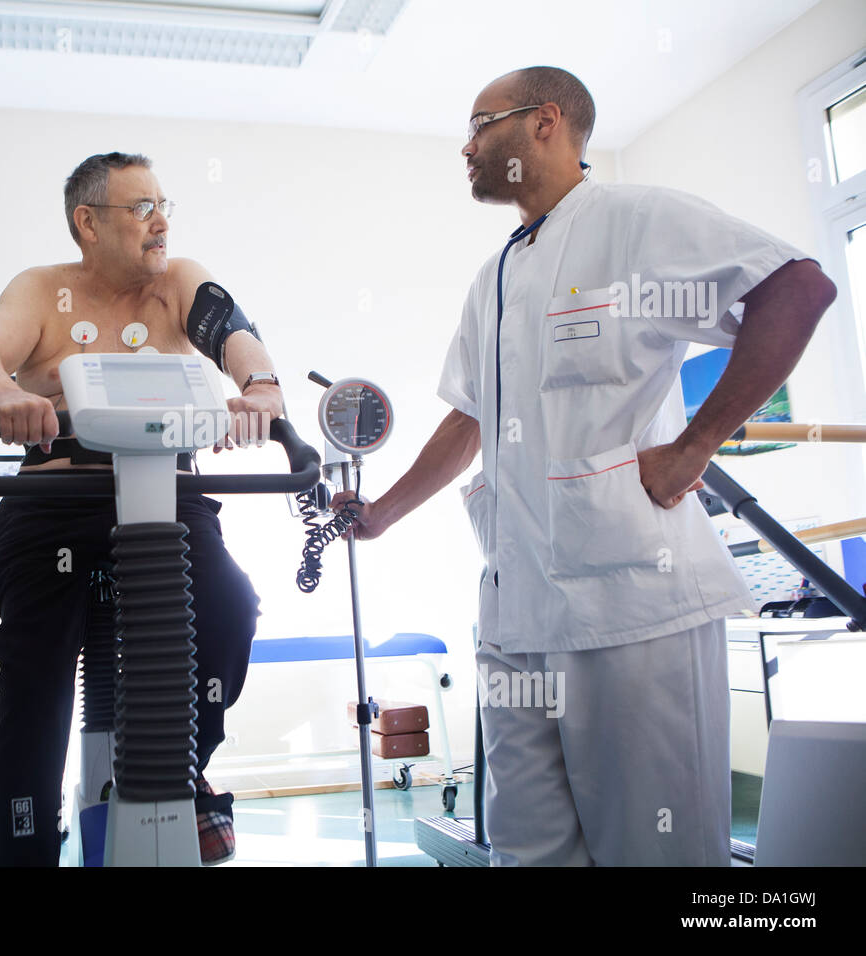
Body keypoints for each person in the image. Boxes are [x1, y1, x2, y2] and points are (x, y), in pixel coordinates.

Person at [334, 67, 838, 865]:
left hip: (630, 603)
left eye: (480, 125)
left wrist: (695, 444)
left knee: (655, 851)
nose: (465, 147)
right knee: (529, 852)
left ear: (546, 121)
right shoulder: (494, 277)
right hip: (514, 611)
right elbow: (469, 416)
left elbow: (798, 288)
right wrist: (385, 513)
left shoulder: (635, 221)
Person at [0, 152, 284, 866]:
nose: (160, 219)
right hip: (53, 499)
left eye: (164, 204)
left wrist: (259, 387)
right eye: (141, 207)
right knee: (36, 678)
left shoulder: (176, 284)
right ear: (88, 222)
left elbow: (234, 331)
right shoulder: (43, 290)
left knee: (231, 608)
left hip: (166, 497)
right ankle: (26, 845)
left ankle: (181, 770)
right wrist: (4, 396)